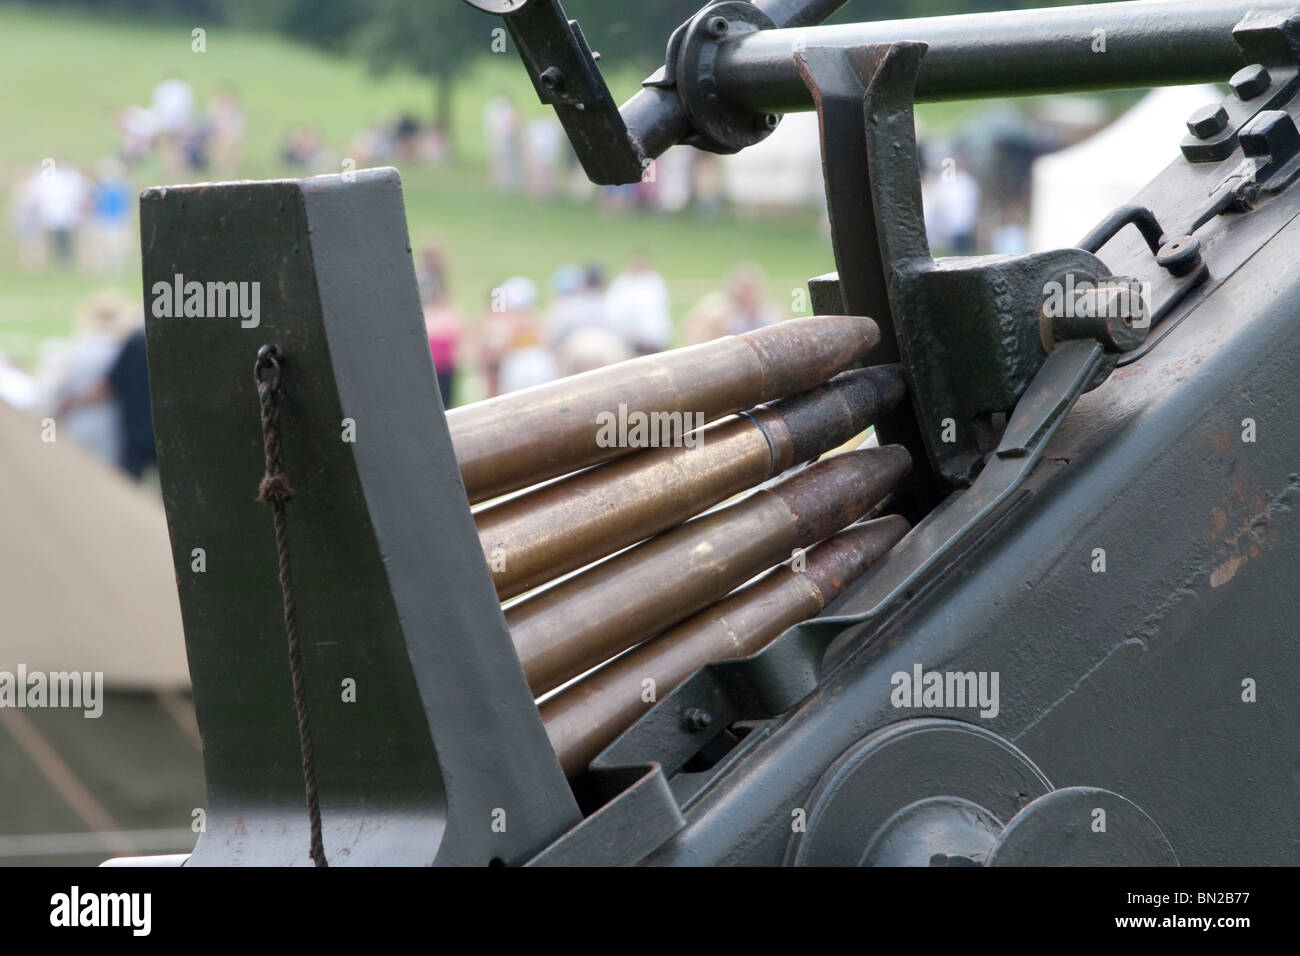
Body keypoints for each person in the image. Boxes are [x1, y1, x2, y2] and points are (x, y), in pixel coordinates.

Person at [35, 290, 137, 467]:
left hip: (77, 423)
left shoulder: (72, 349)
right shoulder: (121, 350)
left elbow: (52, 390)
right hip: (111, 427)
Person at [107, 322, 156, 480]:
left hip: (136, 431)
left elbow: (111, 383)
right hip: (161, 430)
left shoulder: (135, 342)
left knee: (127, 486)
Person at [604, 255, 672, 356]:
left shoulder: (654, 283)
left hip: (652, 338)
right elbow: (615, 311)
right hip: (627, 338)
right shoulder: (622, 283)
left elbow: (655, 313)